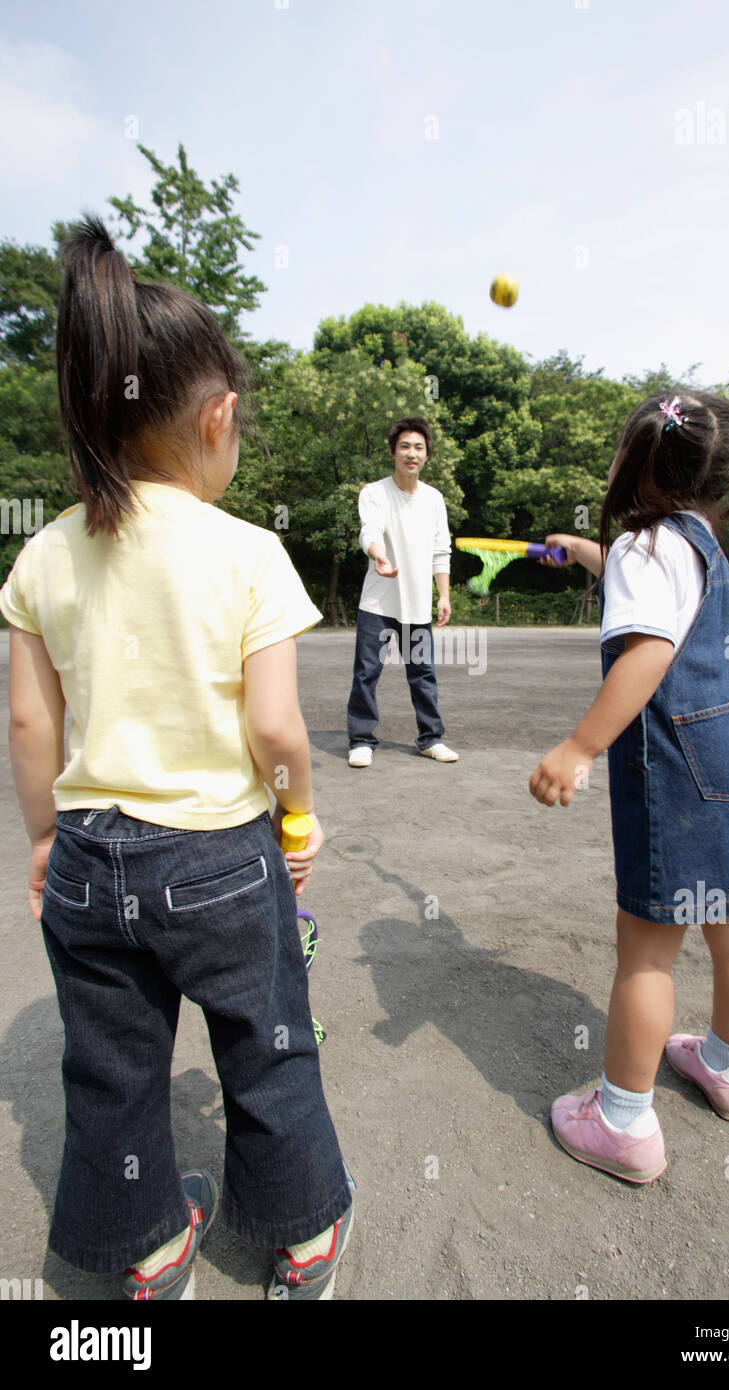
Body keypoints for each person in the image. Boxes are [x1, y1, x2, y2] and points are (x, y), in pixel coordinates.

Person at [0, 215, 353, 1299]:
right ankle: (298, 1240)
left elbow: (28, 725)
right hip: (219, 859)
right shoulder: (246, 551)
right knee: (269, 1044)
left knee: (108, 1074)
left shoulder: (46, 552)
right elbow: (279, 733)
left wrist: (49, 839)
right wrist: (297, 818)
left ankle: (147, 1250)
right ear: (217, 418)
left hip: (91, 862)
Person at [530, 392, 729, 1183]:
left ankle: (622, 1121)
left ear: (635, 462)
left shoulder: (644, 551)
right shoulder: (699, 544)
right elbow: (659, 595)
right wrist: (588, 550)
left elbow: (647, 655)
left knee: (646, 959)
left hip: (677, 782)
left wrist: (580, 747)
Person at [346, 416, 458, 765]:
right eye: (405, 446)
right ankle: (361, 740)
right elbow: (371, 532)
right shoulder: (374, 493)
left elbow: (442, 550)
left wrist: (444, 596)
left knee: (423, 675)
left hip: (418, 603)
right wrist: (379, 556)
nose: (412, 453)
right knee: (367, 672)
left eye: (419, 447)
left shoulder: (434, 499)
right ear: (393, 451)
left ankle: (430, 738)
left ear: (426, 455)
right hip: (378, 601)